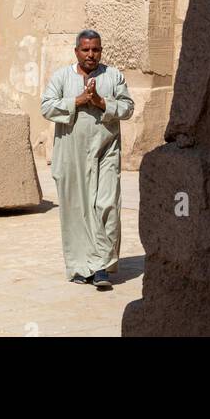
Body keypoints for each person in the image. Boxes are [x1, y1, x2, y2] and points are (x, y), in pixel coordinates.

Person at [40, 29, 134, 289]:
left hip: (106, 151)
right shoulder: (61, 77)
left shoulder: (113, 76)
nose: (91, 55)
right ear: (77, 51)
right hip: (71, 155)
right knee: (76, 210)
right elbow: (46, 106)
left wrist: (103, 103)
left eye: (96, 50)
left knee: (106, 205)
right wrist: (77, 101)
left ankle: (102, 266)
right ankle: (82, 267)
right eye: (86, 50)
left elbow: (128, 107)